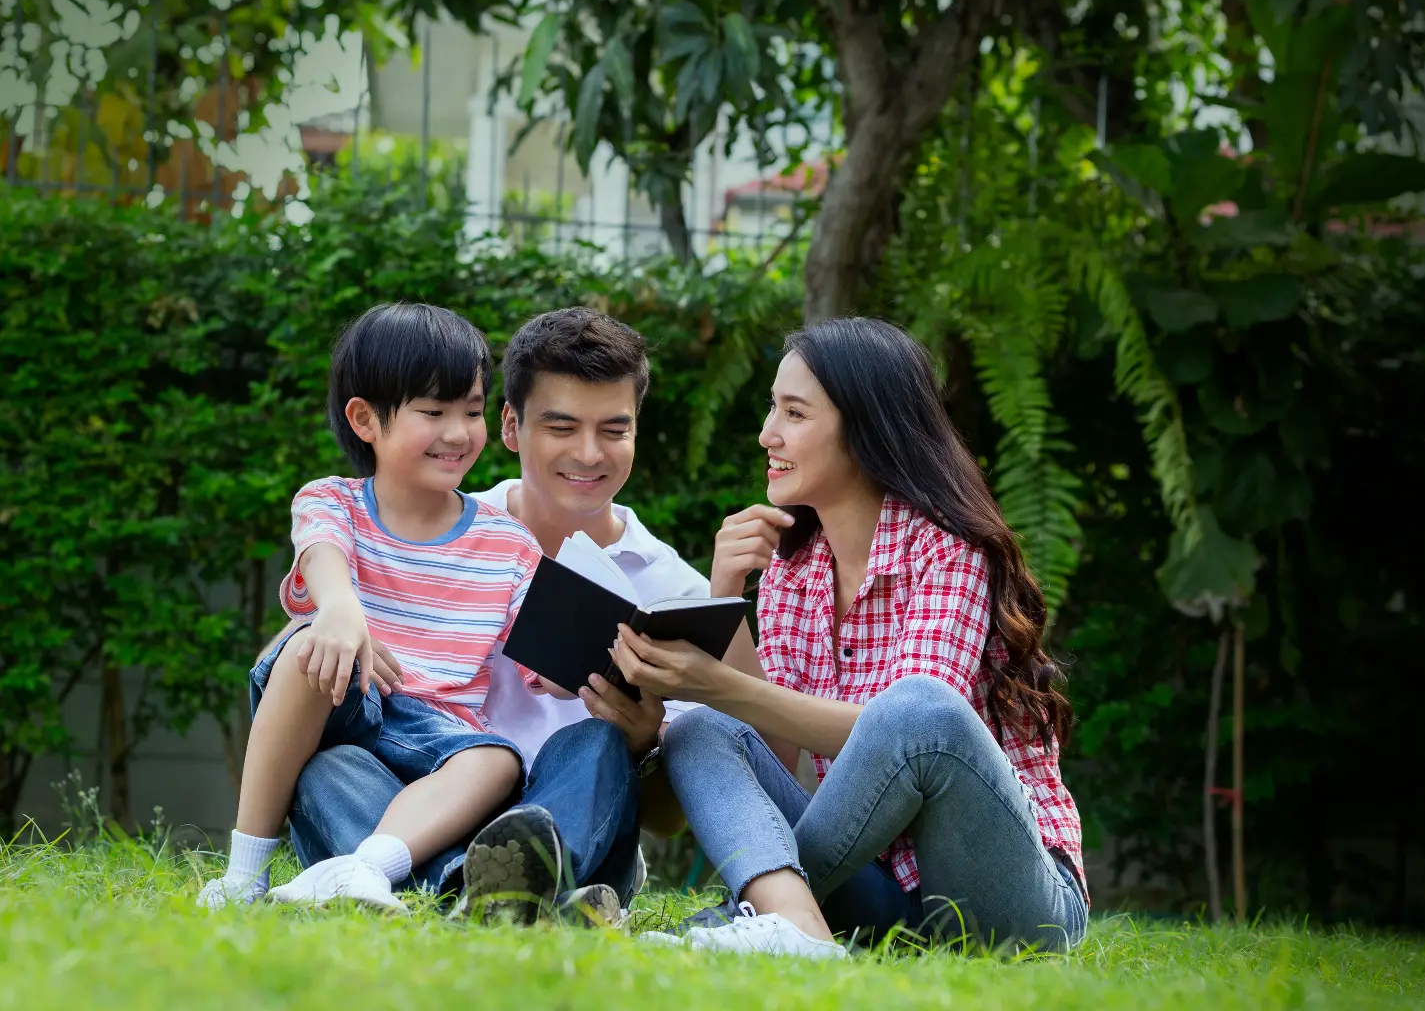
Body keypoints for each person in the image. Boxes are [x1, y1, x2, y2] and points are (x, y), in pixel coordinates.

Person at [617, 317, 1089, 958]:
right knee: (700, 729)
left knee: (919, 708)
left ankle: (752, 914)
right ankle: (800, 928)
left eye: (794, 413)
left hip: (1008, 896)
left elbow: (914, 735)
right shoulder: (793, 573)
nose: (768, 433)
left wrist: (720, 685)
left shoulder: (948, 550)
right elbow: (774, 753)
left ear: (867, 428)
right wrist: (724, 595)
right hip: (878, 895)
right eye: (772, 408)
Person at [287, 307, 752, 923]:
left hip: (568, 820)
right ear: (509, 424)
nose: (589, 453)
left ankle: (506, 884)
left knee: (593, 744)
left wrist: (643, 743)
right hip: (419, 801)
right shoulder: (429, 522)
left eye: (614, 430)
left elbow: (668, 819)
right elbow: (302, 658)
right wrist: (330, 629)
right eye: (562, 427)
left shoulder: (672, 592)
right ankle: (492, 898)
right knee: (331, 768)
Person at [198, 302, 543, 914]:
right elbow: (320, 552)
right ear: (365, 419)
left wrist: (590, 667)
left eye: (472, 411)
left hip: (436, 742)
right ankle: (242, 878)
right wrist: (338, 608)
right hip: (346, 692)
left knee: (497, 760)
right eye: (433, 412)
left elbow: (545, 663)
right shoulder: (332, 502)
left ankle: (366, 871)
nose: (458, 432)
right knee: (307, 646)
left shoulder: (512, 546)